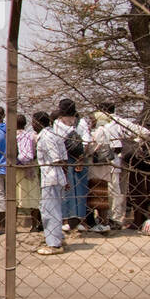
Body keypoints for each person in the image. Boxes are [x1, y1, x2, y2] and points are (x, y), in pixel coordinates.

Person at [35, 109, 69, 255]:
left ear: (37, 122)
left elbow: (57, 159)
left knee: (50, 211)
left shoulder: (47, 137)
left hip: (51, 177)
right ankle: (56, 237)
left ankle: (54, 244)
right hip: (56, 177)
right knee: (52, 209)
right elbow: (64, 159)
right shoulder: (54, 134)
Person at [55, 97, 89, 233]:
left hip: (68, 159)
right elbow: (87, 141)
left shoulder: (58, 123)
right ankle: (73, 220)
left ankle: (70, 220)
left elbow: (58, 142)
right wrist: (81, 158)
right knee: (75, 189)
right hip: (76, 159)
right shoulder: (81, 123)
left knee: (69, 188)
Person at [16, 113, 44, 233]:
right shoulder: (32, 136)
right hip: (31, 169)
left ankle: (13, 226)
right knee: (34, 197)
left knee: (15, 197)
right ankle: (34, 225)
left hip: (16, 170)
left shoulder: (12, 136)